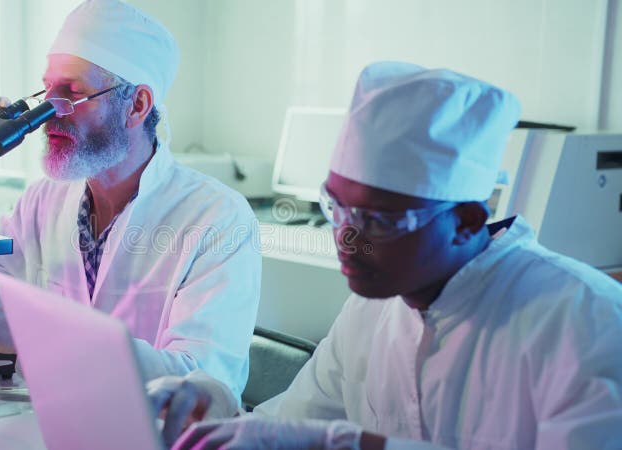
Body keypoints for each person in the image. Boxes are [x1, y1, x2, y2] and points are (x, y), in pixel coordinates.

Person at [148, 62, 622, 449]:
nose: (347, 239)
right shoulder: (373, 308)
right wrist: (221, 412)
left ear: (468, 222)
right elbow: (293, 427)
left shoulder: (588, 323)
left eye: (380, 219)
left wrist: (359, 445)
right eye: (335, 206)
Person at [0, 0, 261, 402]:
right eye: (47, 89)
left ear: (136, 105)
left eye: (73, 92)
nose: (48, 112)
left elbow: (205, 386)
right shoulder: (42, 202)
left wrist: (30, 330)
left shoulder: (217, 218)